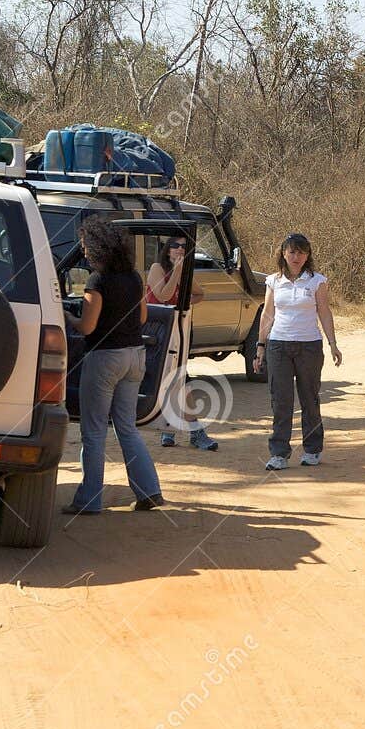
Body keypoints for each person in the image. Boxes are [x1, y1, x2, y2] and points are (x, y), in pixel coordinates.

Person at [60, 217, 165, 514]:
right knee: (127, 428)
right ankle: (149, 490)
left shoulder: (97, 281)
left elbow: (88, 327)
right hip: (135, 356)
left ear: (97, 247)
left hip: (104, 358)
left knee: (93, 431)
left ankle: (89, 500)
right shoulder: (133, 277)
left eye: (85, 245)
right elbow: (142, 318)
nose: (83, 251)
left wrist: (68, 318)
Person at [256, 233, 341, 470]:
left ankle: (312, 450)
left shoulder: (317, 281)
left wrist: (332, 343)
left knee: (309, 399)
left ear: (308, 255)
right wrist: (260, 346)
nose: (296, 257)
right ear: (283, 253)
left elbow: (324, 312)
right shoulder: (273, 281)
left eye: (301, 252)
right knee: (281, 400)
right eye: (292, 252)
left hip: (309, 346)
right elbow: (268, 314)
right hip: (278, 346)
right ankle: (279, 454)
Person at [147, 236, 218, 452]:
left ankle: (170, 430)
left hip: (178, 331)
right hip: (158, 332)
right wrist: (177, 271)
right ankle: (192, 431)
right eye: (175, 245)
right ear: (167, 249)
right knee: (173, 379)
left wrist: (184, 303)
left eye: (184, 247)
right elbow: (163, 295)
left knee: (176, 378)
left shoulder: (185, 273)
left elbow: (199, 294)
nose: (179, 249)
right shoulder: (157, 268)